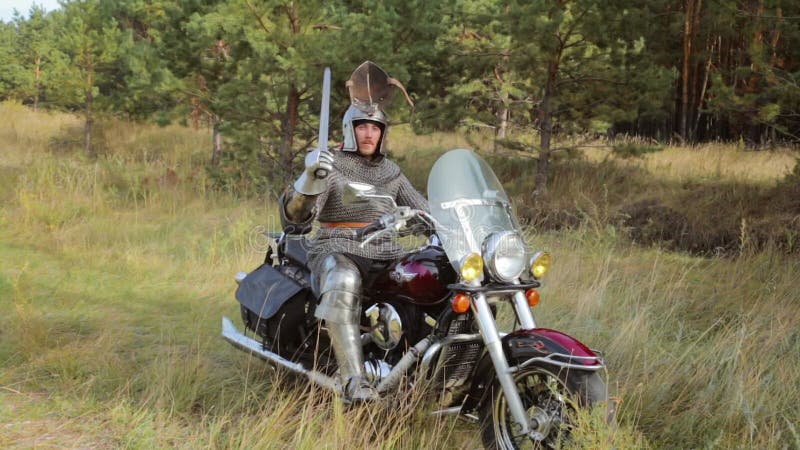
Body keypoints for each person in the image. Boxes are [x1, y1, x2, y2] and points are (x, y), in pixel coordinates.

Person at [278, 64, 428, 402]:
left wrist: (452, 219)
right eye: (362, 127)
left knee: (427, 274)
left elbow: (423, 208)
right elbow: (297, 218)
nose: (368, 134)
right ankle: (353, 381)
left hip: (387, 249)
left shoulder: (392, 172)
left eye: (375, 127)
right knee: (343, 279)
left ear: (383, 132)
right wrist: (310, 178)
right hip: (337, 247)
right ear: (350, 129)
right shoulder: (331, 166)